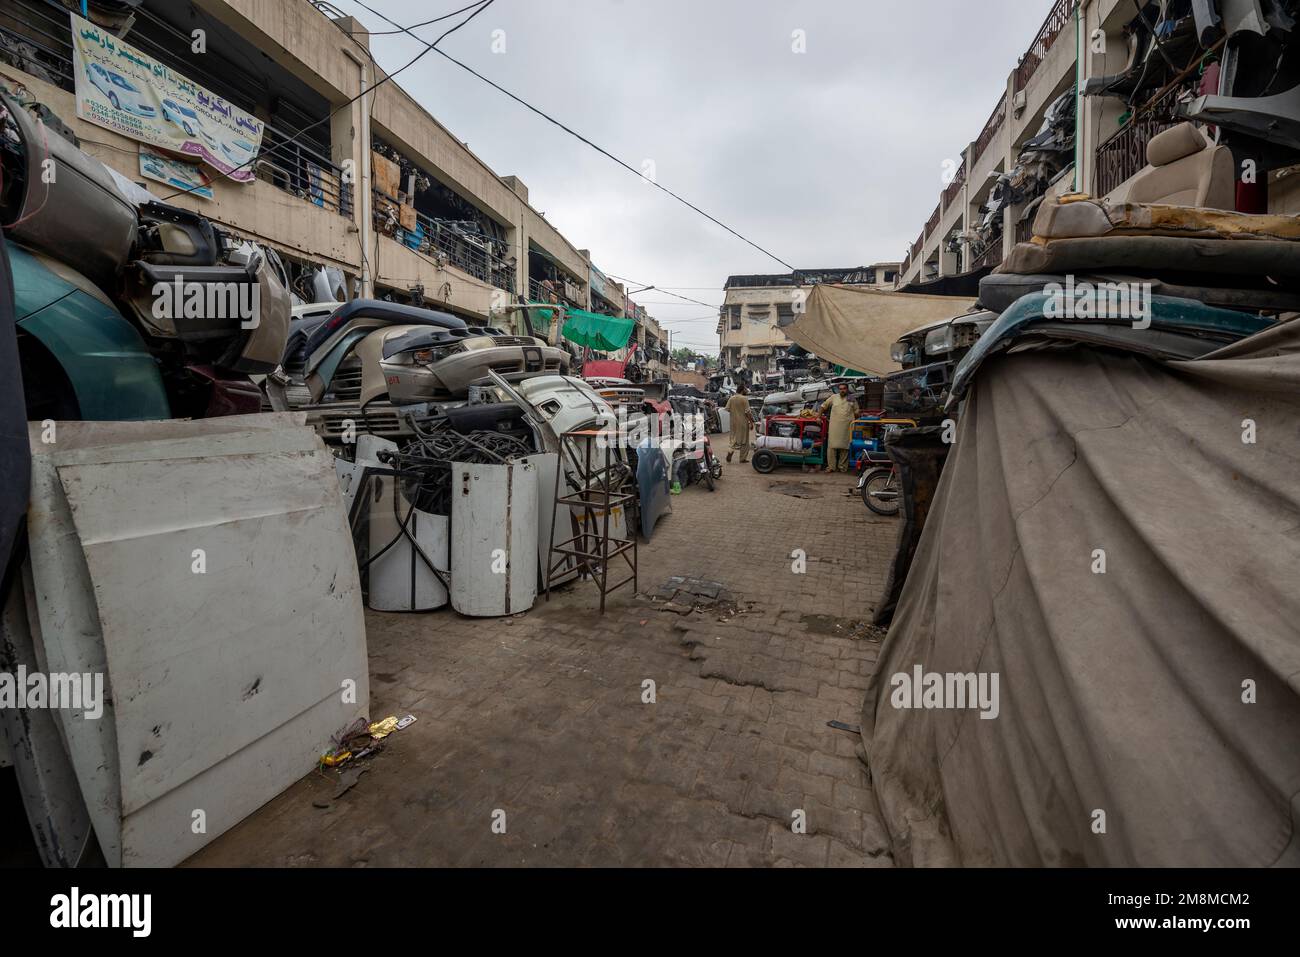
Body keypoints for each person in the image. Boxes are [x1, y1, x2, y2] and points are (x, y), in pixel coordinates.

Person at [820, 383, 856, 473]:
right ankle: (831, 467)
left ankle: (842, 467)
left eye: (844, 388)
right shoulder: (833, 397)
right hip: (834, 426)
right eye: (840, 389)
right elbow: (823, 406)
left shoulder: (851, 398)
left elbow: (857, 411)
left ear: (847, 389)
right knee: (832, 446)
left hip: (847, 426)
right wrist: (818, 416)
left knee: (845, 447)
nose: (842, 390)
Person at [724, 385, 755, 464]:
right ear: (742, 390)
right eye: (745, 389)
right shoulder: (744, 398)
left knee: (734, 438)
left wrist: (735, 412)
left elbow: (727, 409)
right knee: (744, 440)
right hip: (743, 423)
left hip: (733, 423)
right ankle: (742, 458)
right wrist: (751, 422)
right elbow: (748, 412)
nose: (746, 391)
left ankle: (730, 450)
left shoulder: (731, 398)